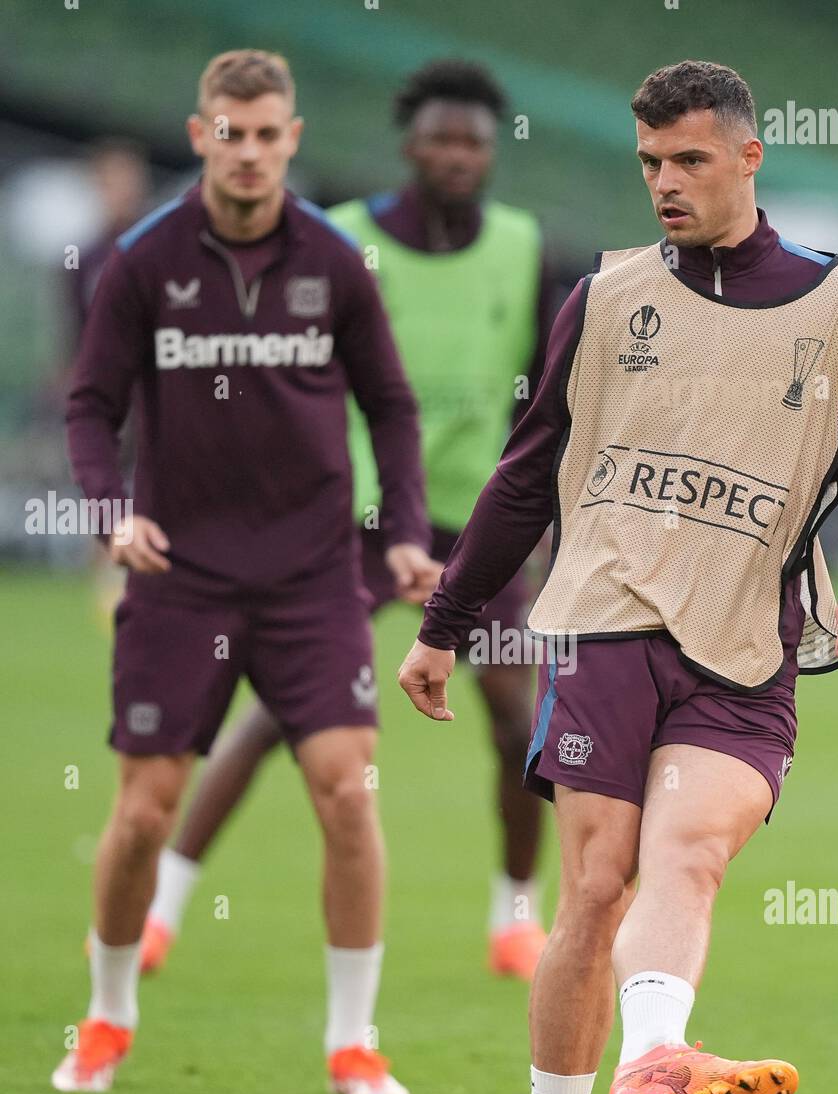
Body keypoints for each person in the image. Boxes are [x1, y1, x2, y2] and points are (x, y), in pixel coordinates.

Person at [398, 60, 838, 1094]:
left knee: (690, 854)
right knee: (596, 884)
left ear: (746, 155)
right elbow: (527, 469)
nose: (665, 182)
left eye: (687, 159)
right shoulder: (604, 295)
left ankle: (649, 1063)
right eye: (648, 163)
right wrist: (445, 623)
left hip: (745, 639)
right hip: (604, 618)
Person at [53, 49, 438, 1094]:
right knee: (142, 813)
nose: (252, 152)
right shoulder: (140, 260)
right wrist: (108, 510)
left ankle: (353, 1042)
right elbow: (89, 403)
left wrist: (401, 530)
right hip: (179, 576)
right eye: (233, 132)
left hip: (312, 577)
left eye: (270, 134)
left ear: (292, 140)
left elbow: (392, 407)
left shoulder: (334, 262)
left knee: (346, 796)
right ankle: (107, 1015)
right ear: (200, 136)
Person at [140, 60, 556, 982]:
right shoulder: (346, 239)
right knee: (278, 713)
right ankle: (164, 902)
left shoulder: (523, 245)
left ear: (493, 154)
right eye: (442, 139)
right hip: (352, 516)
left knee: (513, 719)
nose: (458, 155)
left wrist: (541, 512)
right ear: (410, 146)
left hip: (474, 522)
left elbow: (540, 389)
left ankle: (514, 920)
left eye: (474, 143)